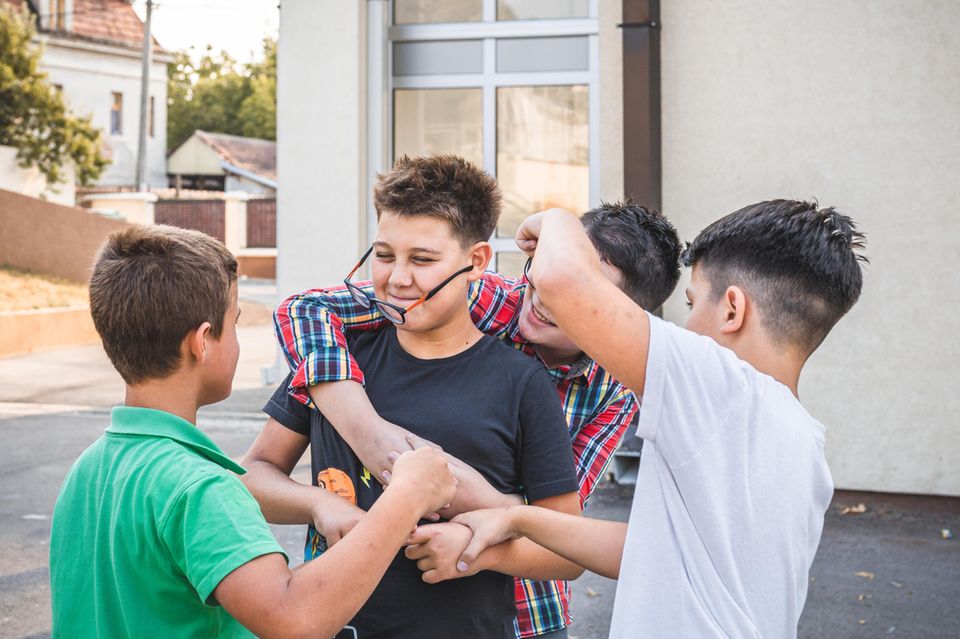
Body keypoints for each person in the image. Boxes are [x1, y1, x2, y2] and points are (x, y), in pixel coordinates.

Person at [448, 200, 867, 638]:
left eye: (691, 303)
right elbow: (653, 551)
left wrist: (556, 218)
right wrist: (520, 520)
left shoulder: (721, 386)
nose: (685, 326)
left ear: (731, 310)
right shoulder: (802, 443)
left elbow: (561, 281)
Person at [267, 199, 682, 639]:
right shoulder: (477, 294)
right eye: (542, 275)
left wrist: (477, 523)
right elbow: (305, 310)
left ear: (624, 316)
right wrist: (371, 437)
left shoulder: (614, 391)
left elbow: (564, 531)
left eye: (574, 294)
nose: (542, 301)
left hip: (524, 610)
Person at [49, 224, 456, 639]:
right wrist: (406, 496)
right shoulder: (201, 489)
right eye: (236, 322)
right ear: (202, 342)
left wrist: (317, 506)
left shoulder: (87, 470)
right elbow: (294, 619)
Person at [241, 155, 581, 639]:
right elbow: (252, 476)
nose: (398, 278)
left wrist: (473, 545)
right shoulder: (336, 360)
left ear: (477, 262)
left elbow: (567, 550)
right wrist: (316, 504)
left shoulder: (522, 383)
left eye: (422, 260)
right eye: (383, 255)